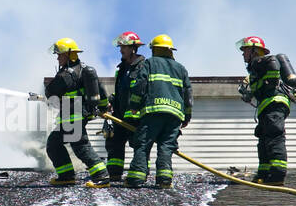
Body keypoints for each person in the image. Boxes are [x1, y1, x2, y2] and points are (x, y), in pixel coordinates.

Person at [125, 34, 192, 188]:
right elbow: (188, 94)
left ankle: (136, 178)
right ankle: (164, 180)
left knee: (143, 144)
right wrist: (187, 116)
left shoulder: (149, 63)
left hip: (153, 112)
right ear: (170, 50)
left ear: (154, 49)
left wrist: (134, 106)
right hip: (175, 115)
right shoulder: (181, 69)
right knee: (166, 146)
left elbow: (140, 85)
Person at [44, 38, 110, 186]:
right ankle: (66, 176)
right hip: (77, 116)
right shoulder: (86, 70)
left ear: (69, 55)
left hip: (72, 116)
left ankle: (102, 176)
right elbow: (101, 92)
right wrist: (104, 107)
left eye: (60, 54)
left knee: (81, 147)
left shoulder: (65, 75)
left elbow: (50, 92)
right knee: (54, 143)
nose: (57, 57)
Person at [237, 36, 296, 185]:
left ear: (254, 51)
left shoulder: (261, 61)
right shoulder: (255, 69)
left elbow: (273, 67)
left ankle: (277, 175)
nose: (243, 54)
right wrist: (249, 94)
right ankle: (263, 174)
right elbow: (259, 87)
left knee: (274, 138)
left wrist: (269, 83)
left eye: (245, 50)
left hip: (274, 104)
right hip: (268, 106)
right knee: (264, 140)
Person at [105, 31, 146, 183]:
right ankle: (114, 174)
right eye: (120, 46)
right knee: (114, 143)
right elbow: (120, 92)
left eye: (124, 46)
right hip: (120, 116)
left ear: (133, 48)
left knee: (139, 145)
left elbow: (143, 91)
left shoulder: (143, 67)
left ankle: (139, 175)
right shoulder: (122, 69)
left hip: (137, 117)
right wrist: (111, 101)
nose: (121, 49)